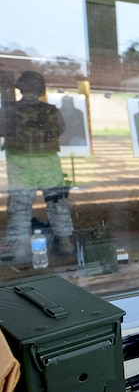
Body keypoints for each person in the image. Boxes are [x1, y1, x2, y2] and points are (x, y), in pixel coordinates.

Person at [0, 71, 75, 261]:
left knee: (20, 205)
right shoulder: (51, 111)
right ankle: (65, 243)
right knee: (57, 202)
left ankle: (18, 249)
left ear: (21, 88)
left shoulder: (8, 110)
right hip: (47, 162)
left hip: (20, 163)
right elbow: (61, 129)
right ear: (41, 89)